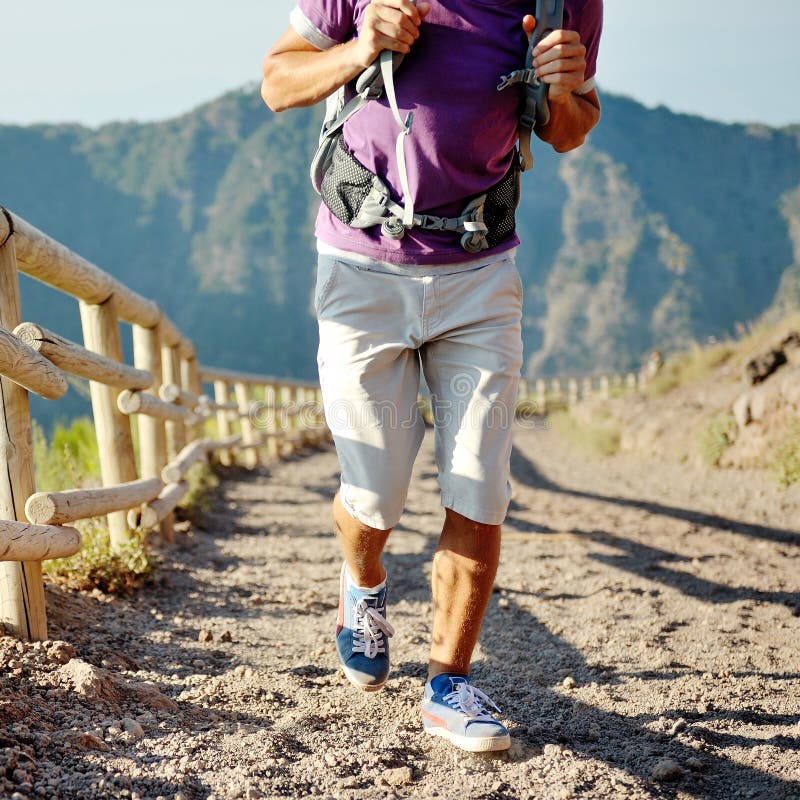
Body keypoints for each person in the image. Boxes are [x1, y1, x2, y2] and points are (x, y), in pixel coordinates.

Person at [261, 0, 602, 753]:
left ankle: (449, 683)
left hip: (481, 275)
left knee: (479, 483)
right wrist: (356, 51)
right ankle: (365, 584)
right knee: (375, 496)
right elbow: (277, 82)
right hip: (361, 272)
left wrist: (566, 92)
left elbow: (573, 127)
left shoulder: (563, 1)